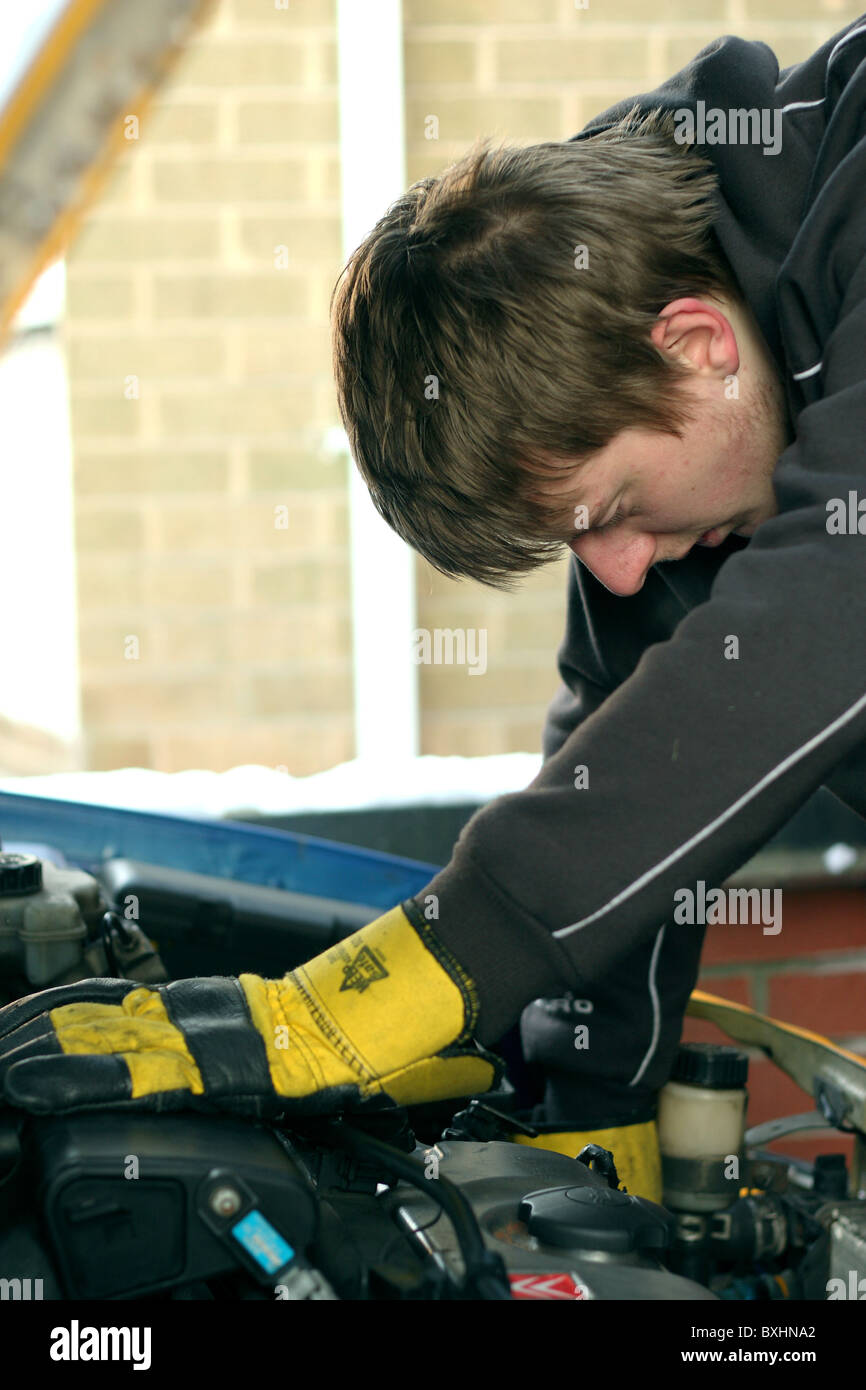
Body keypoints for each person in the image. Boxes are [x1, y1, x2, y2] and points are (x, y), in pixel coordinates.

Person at [2, 19, 866, 1207]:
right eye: (577, 538)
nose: (616, 572)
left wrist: (359, 1002)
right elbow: (624, 755)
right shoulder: (658, 369)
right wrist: (579, 1123)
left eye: (608, 508)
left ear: (697, 345)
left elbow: (823, 619)